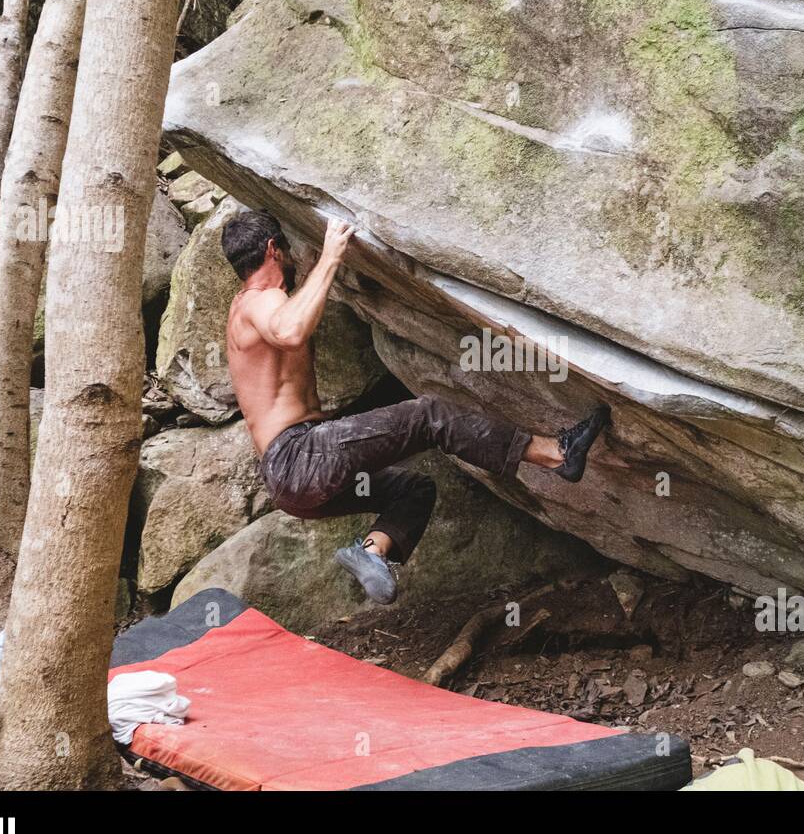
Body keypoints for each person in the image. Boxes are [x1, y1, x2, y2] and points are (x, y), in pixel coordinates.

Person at [222, 209, 610, 604]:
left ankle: (371, 553)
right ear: (273, 249)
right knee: (429, 415)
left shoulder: (245, 308)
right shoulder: (261, 300)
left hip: (290, 484)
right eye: (287, 250)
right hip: (300, 456)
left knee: (413, 489)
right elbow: (290, 330)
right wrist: (331, 256)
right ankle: (556, 454)